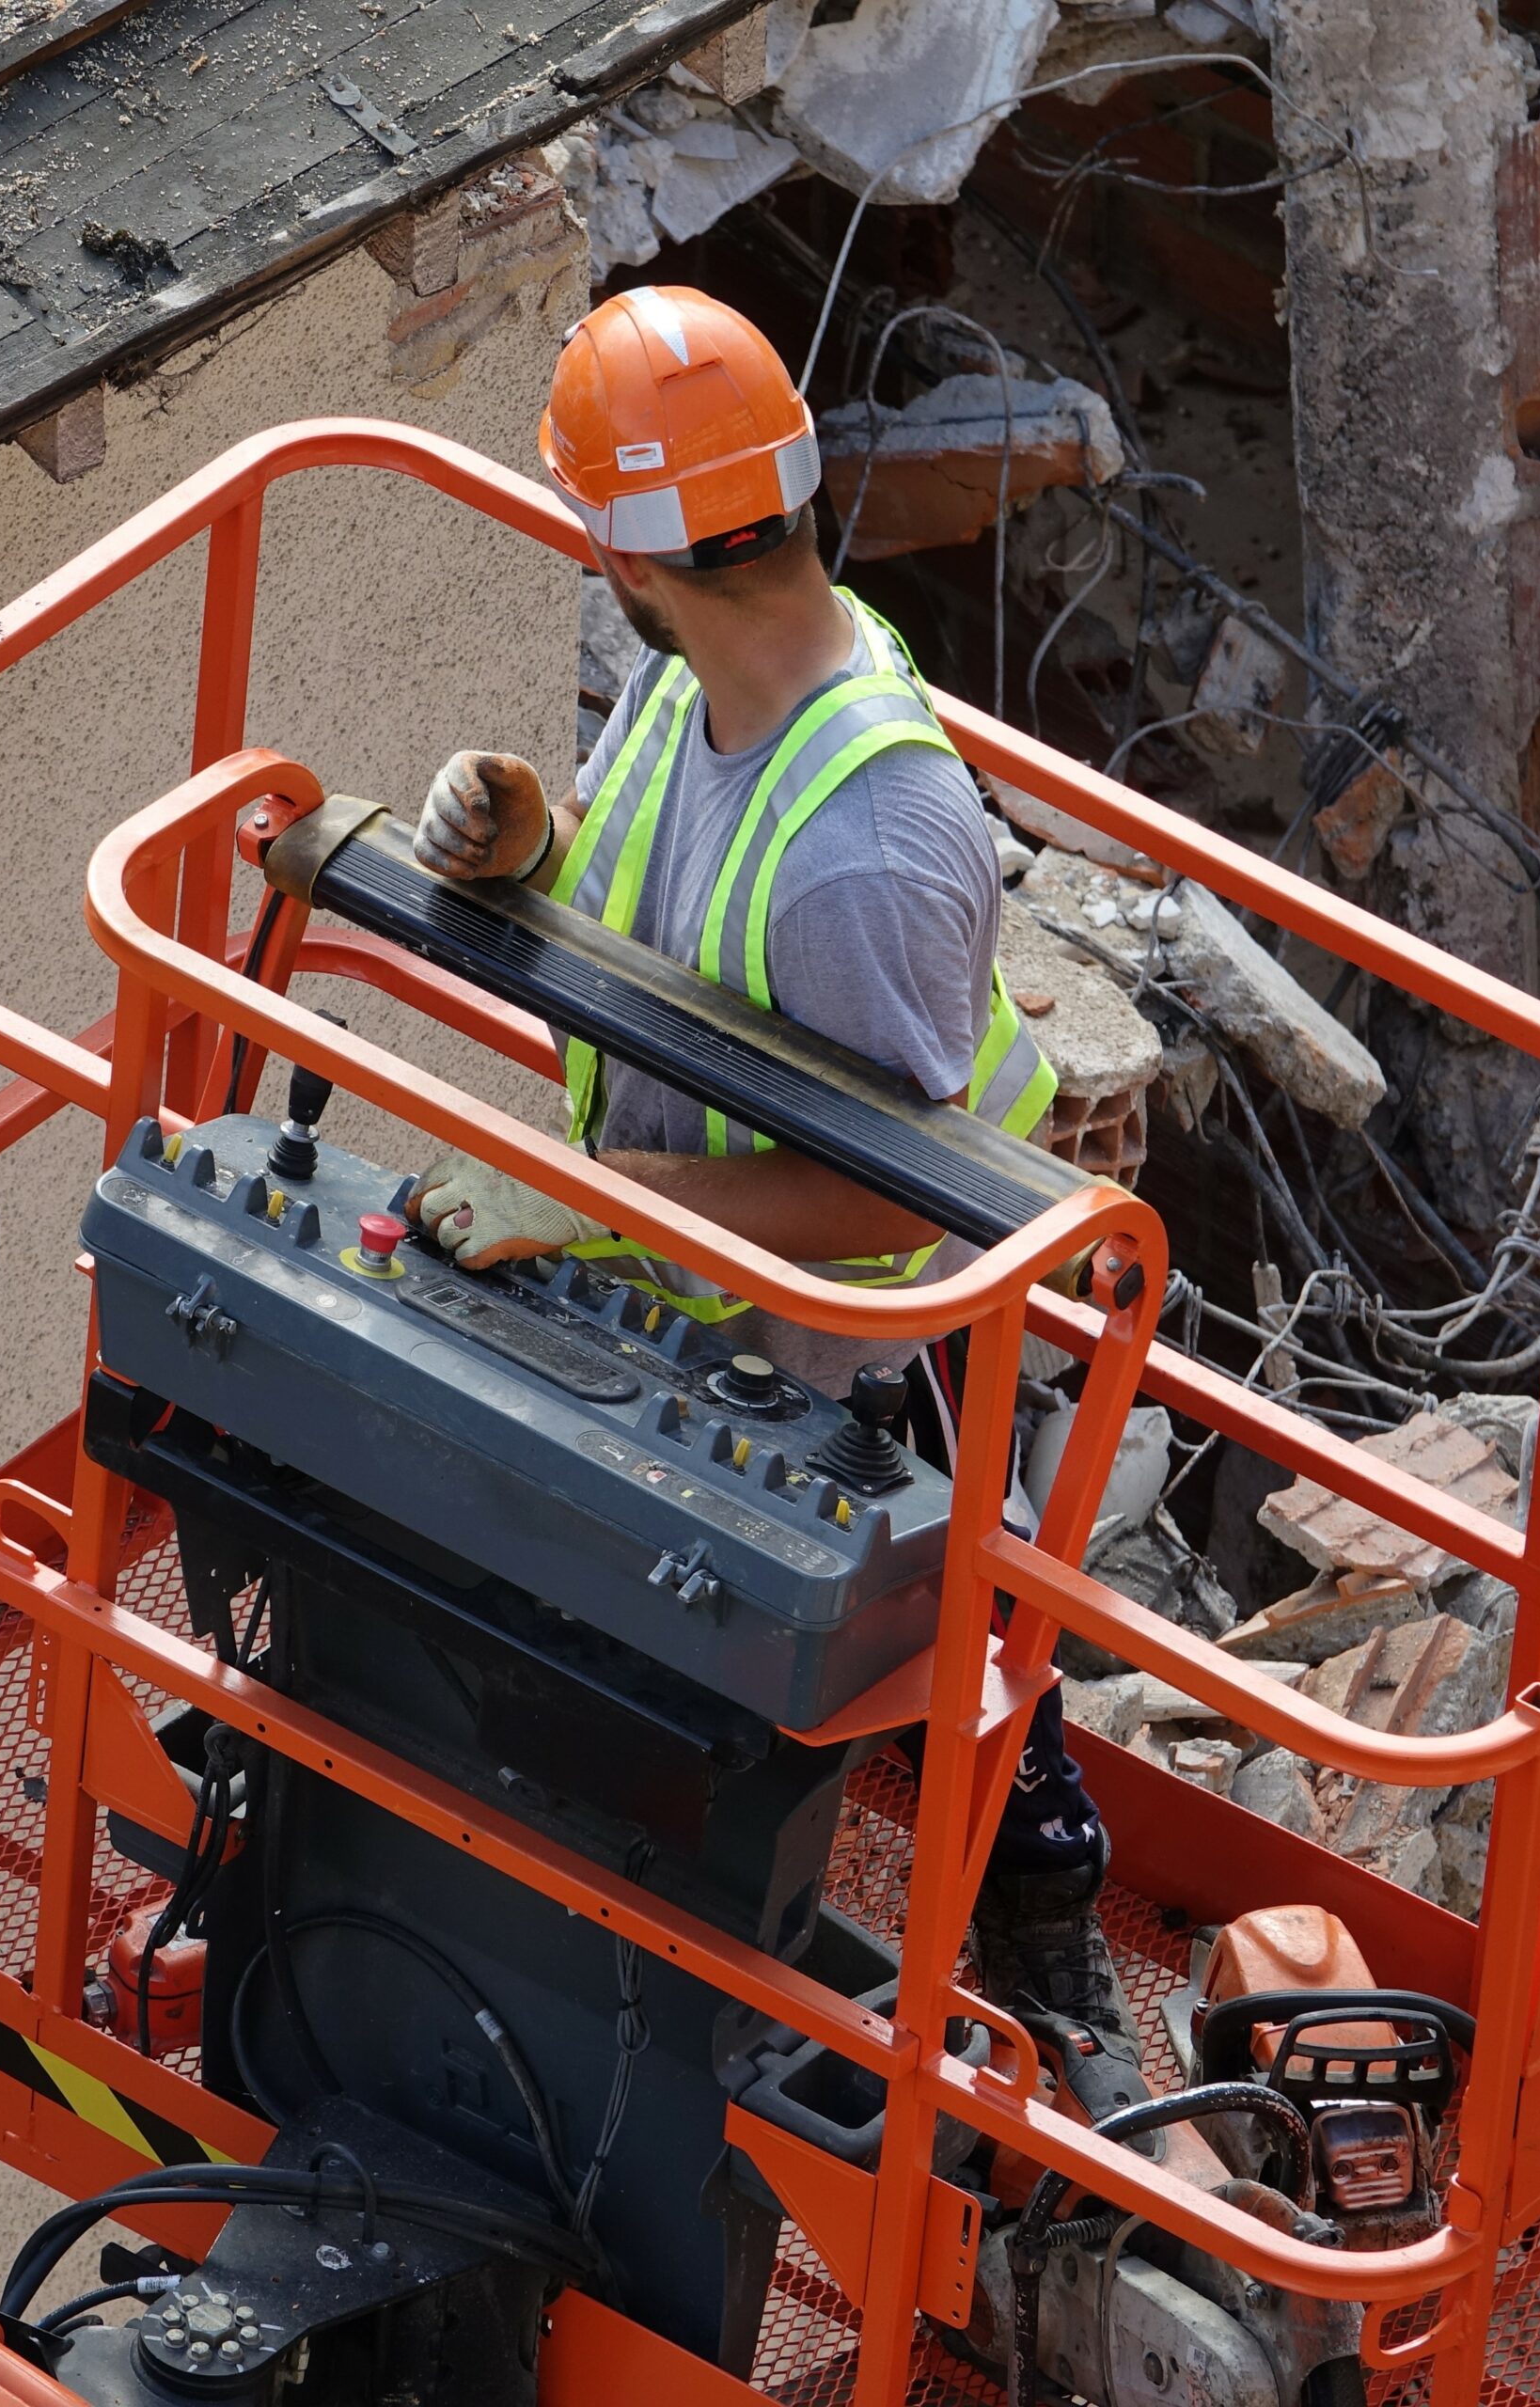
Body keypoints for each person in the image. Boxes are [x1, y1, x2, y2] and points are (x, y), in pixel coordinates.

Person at [401, 283, 1151, 2134]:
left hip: (866, 1353)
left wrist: (569, 1196)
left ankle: (1032, 1947)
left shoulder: (867, 844)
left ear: (613, 541)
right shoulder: (693, 690)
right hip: (711, 1306)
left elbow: (872, 1181)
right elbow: (681, 963)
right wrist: (529, 859)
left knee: (945, 1684)